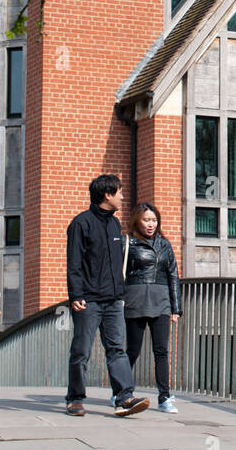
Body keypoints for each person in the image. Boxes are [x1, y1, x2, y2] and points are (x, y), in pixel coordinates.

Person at [65, 174, 150, 417]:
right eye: (120, 192)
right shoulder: (81, 224)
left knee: (117, 349)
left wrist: (120, 294)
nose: (123, 196)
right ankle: (75, 398)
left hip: (113, 300)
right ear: (107, 195)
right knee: (81, 350)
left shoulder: (114, 225)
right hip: (88, 299)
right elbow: (74, 264)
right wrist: (75, 295)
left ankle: (124, 397)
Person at [124, 202, 182, 414]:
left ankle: (164, 397)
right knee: (132, 350)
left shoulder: (164, 244)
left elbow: (173, 276)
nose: (151, 224)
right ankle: (122, 393)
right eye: (146, 220)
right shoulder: (127, 243)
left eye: (154, 220)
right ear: (137, 221)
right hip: (135, 299)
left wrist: (176, 308)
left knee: (162, 351)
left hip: (161, 301)